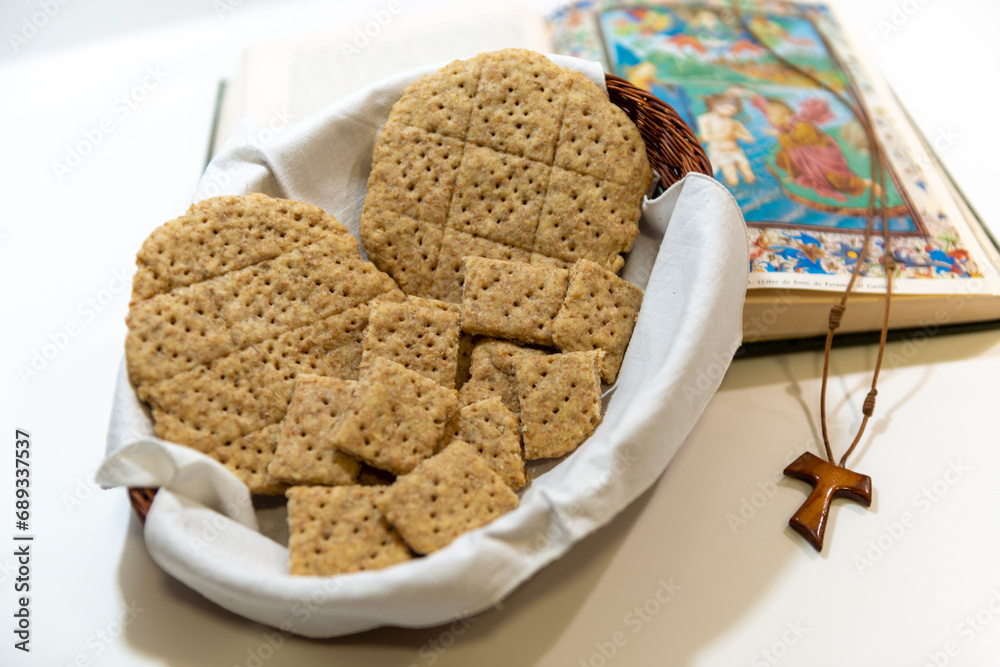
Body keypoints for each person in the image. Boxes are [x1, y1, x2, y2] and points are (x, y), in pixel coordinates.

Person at [752, 95, 867, 202]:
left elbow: (794, 140)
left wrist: (779, 135)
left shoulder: (802, 124)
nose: (770, 118)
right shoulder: (785, 123)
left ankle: (867, 183)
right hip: (807, 155)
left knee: (836, 180)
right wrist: (759, 101)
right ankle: (799, 175)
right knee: (783, 156)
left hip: (822, 155)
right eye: (769, 115)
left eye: (773, 114)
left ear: (784, 111)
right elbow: (767, 111)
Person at [697, 93, 756, 186]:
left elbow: (750, 139)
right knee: (733, 180)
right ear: (715, 106)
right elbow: (705, 137)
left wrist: (736, 133)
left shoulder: (734, 122)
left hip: (736, 151)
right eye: (727, 109)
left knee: (750, 177)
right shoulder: (705, 119)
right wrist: (723, 134)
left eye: (733, 111)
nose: (730, 113)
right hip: (720, 152)